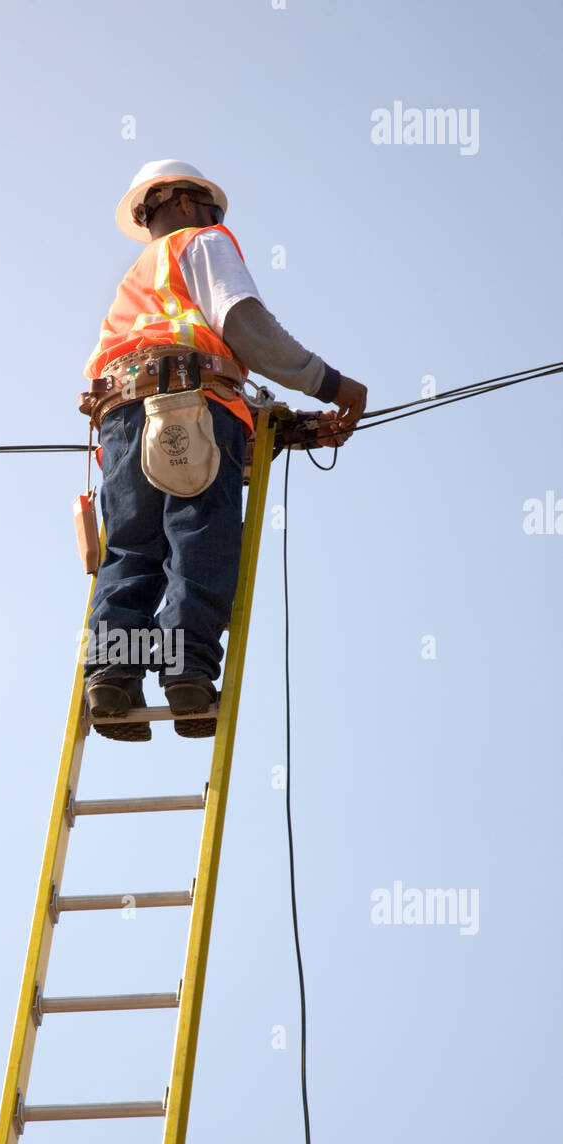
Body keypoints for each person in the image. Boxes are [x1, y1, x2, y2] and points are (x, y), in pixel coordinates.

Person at [80, 159, 367, 741]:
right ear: (183, 203)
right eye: (212, 207)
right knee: (200, 533)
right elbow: (243, 326)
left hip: (121, 418)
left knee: (133, 550)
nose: (217, 219)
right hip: (190, 400)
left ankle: (111, 675)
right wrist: (330, 384)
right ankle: (187, 673)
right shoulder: (203, 242)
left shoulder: (135, 283)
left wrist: (294, 429)